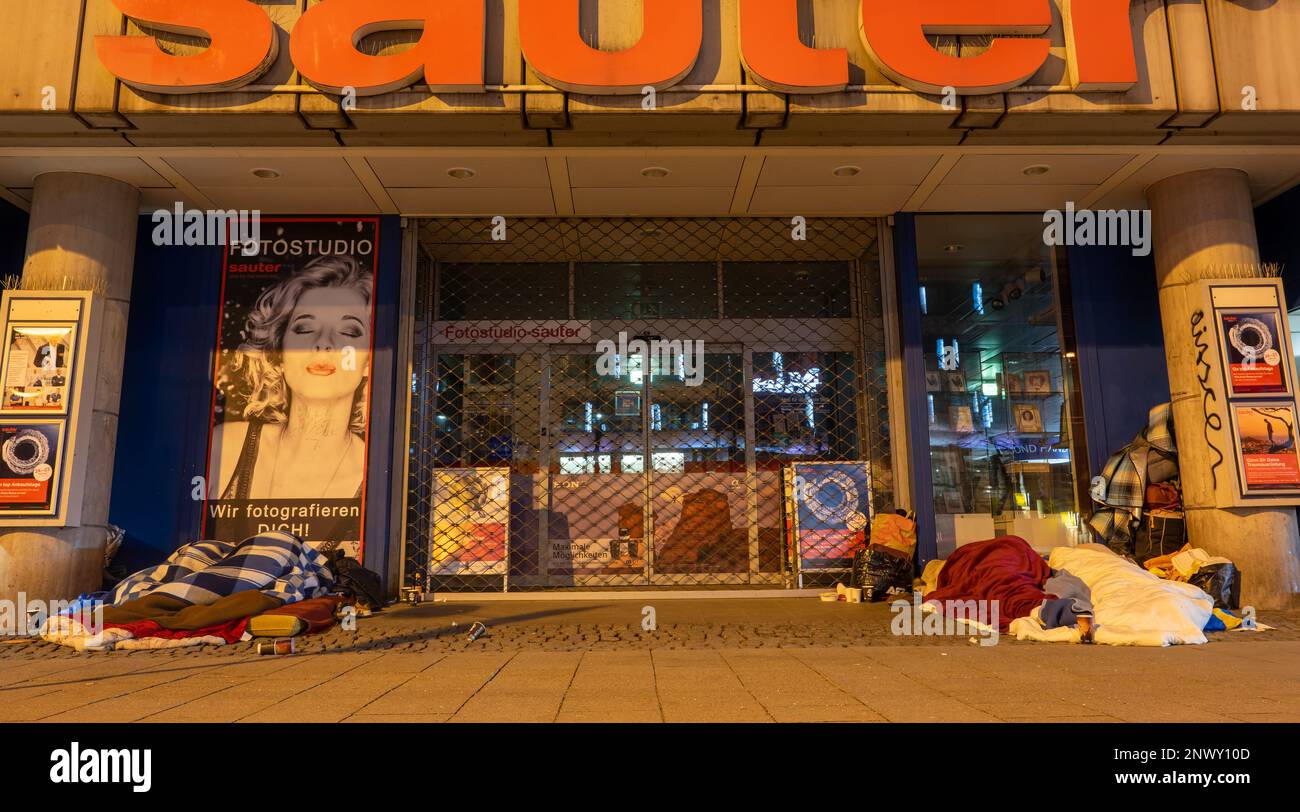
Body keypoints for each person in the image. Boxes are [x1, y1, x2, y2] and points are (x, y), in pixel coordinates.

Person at [208, 255, 371, 501]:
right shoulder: (226, 447)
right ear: (279, 352)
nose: (323, 343)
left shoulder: (374, 471)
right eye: (305, 329)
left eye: (348, 331)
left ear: (369, 362)